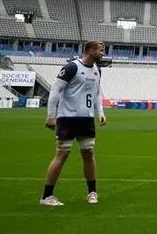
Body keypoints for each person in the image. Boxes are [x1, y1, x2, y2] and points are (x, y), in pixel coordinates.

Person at [40, 41, 107, 206]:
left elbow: (97, 92)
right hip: (68, 118)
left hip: (86, 119)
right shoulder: (72, 67)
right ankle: (46, 196)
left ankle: (92, 192)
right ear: (90, 51)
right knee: (62, 155)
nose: (102, 53)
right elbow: (55, 90)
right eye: (100, 50)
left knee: (89, 154)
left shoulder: (97, 70)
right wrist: (50, 116)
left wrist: (101, 112)